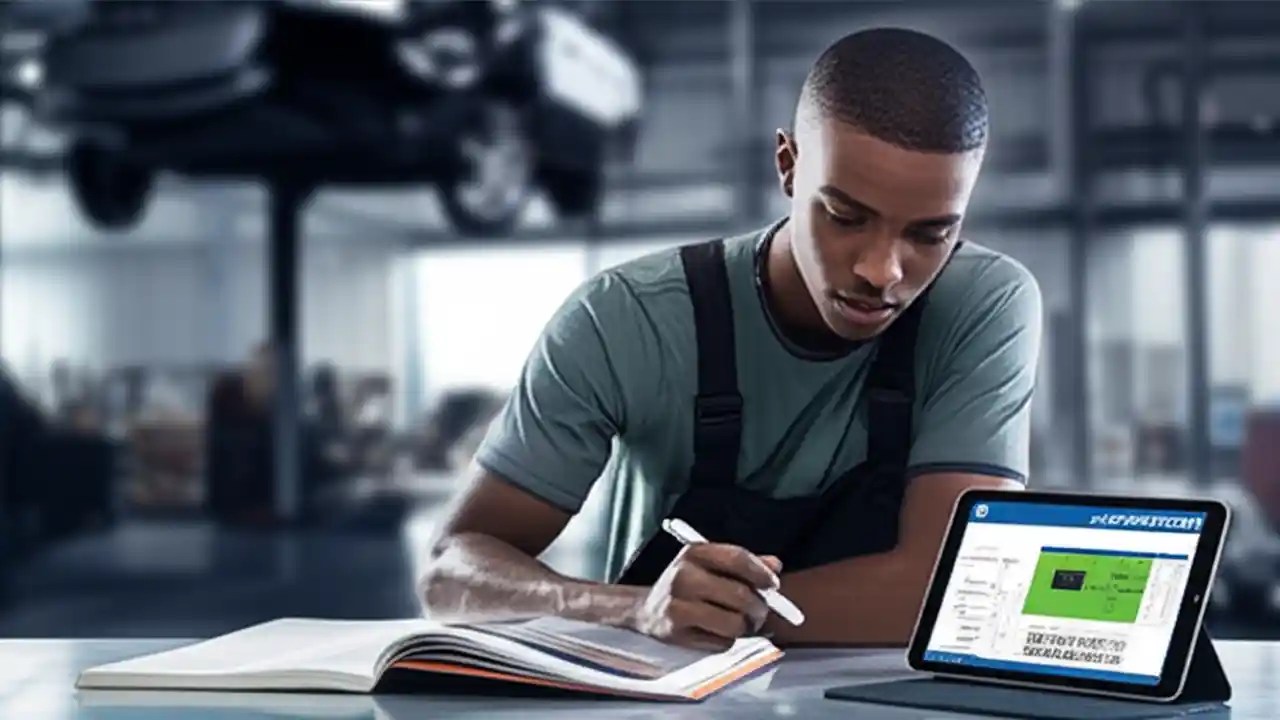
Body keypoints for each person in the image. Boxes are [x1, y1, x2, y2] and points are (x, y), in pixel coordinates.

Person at [418, 27, 1042, 649]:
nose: (883, 271)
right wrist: (632, 609)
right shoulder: (625, 319)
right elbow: (450, 573)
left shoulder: (984, 304)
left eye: (930, 235)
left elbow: (964, 584)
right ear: (788, 166)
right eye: (846, 217)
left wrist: (720, 613)